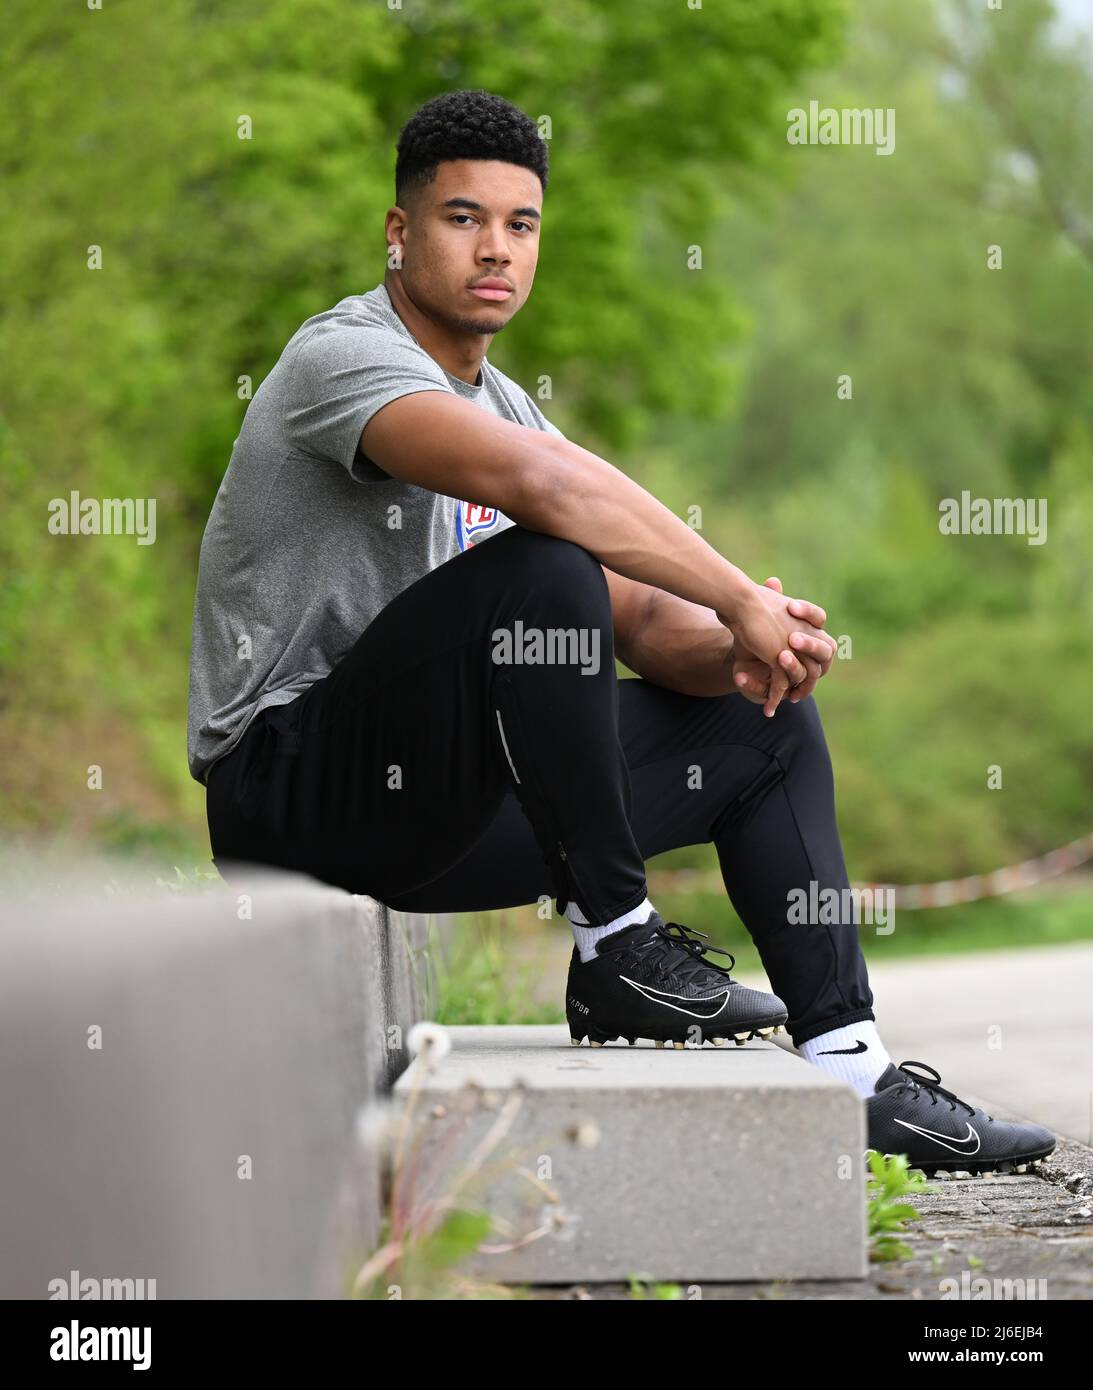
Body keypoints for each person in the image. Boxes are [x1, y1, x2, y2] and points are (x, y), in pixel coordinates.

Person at [186, 89, 1054, 1177]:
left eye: (520, 223)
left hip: (437, 814)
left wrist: (749, 643)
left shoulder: (505, 401)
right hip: (289, 792)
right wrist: (735, 587)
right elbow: (544, 492)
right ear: (400, 234)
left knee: (762, 721)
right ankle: (615, 941)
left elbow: (636, 615)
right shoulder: (339, 358)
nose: (495, 248)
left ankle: (853, 1071)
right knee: (545, 561)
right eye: (462, 219)